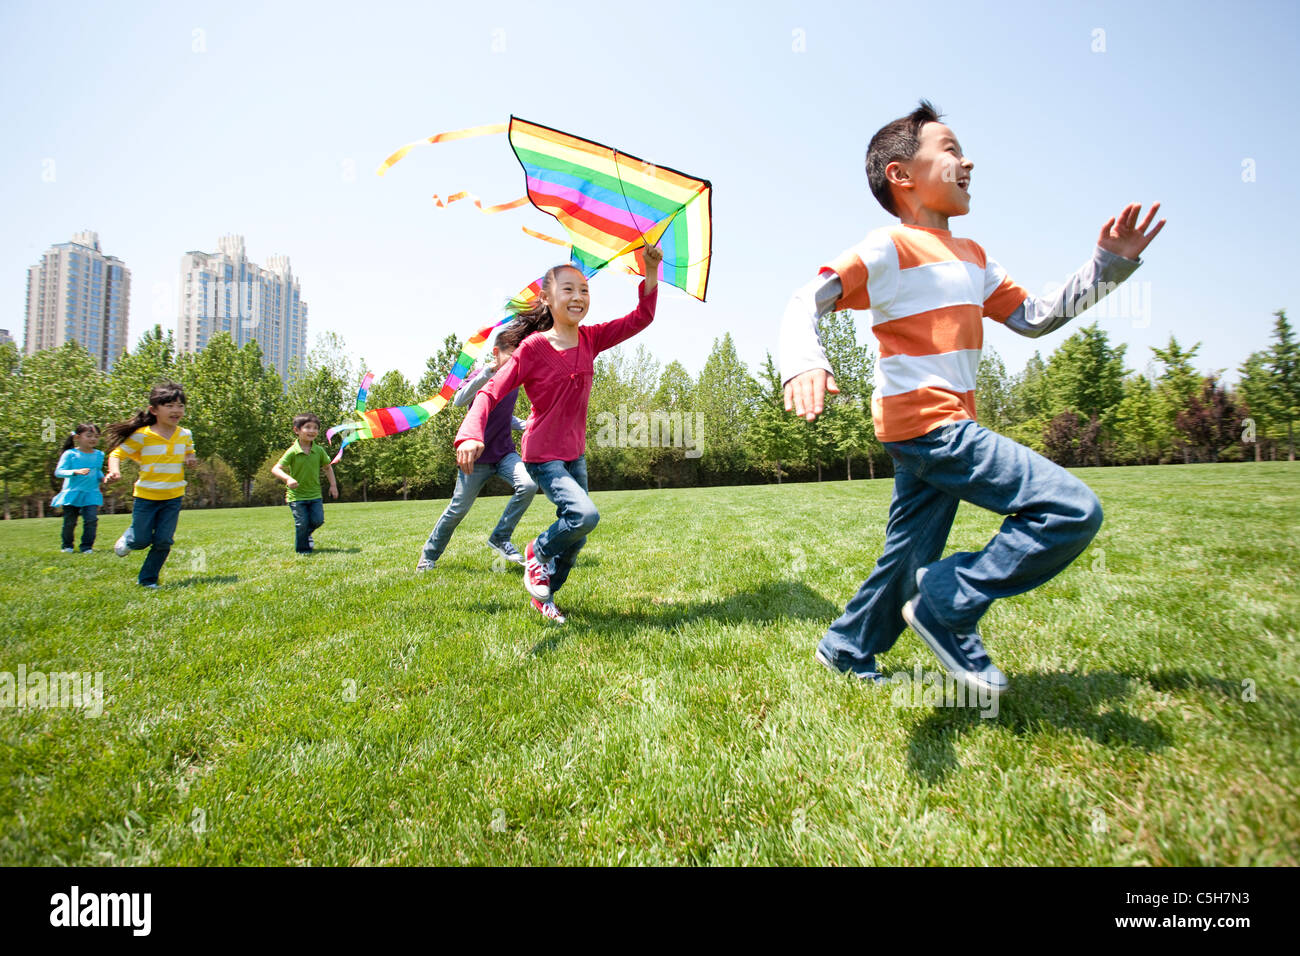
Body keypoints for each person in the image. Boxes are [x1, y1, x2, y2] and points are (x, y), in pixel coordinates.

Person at [780, 100, 1165, 693]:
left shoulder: (974, 256)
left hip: (934, 426)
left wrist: (1106, 267)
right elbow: (804, 300)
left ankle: (847, 646)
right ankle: (949, 600)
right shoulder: (888, 246)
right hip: (930, 422)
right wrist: (803, 361)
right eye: (951, 150)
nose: (968, 162)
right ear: (901, 176)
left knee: (908, 556)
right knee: (1069, 509)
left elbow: (1035, 318)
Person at [455, 245, 663, 622]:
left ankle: (545, 595)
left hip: (574, 453)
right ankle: (536, 550)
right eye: (568, 289)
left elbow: (641, 318)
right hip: (542, 454)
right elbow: (491, 390)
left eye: (584, 290)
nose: (579, 296)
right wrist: (470, 432)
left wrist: (650, 270)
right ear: (546, 298)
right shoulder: (533, 348)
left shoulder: (591, 339)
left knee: (577, 536)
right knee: (583, 515)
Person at [416, 327, 536, 572]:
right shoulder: (480, 375)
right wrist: (486, 374)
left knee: (529, 484)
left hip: (504, 453)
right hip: (476, 458)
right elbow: (460, 400)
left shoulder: (515, 382)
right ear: (496, 352)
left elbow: (501, 415)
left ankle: (500, 537)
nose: (518, 361)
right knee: (458, 509)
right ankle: (428, 556)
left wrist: (524, 424)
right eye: (514, 355)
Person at [105, 382, 197, 588]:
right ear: (154, 410)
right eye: (170, 405)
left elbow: (189, 451)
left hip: (173, 496)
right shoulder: (143, 435)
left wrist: (190, 458)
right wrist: (114, 470)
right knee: (141, 540)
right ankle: (130, 538)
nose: (176, 410)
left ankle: (148, 580)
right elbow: (116, 453)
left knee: (164, 541)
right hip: (146, 497)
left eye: (180, 405)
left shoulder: (185, 434)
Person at [271, 413, 339, 554]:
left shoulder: (319, 451)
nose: (312, 431)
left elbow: (327, 468)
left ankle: (305, 535)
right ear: (296, 430)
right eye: (307, 427)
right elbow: (276, 469)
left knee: (318, 520)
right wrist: (288, 479)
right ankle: (303, 550)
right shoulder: (292, 452)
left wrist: (333, 485)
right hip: (296, 496)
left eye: (315, 428)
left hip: (314, 494)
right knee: (301, 523)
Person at [52, 423, 105, 553]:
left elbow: (97, 471)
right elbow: (59, 472)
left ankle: (87, 547)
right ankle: (67, 546)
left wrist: (104, 478)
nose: (93, 439)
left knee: (91, 520)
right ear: (77, 437)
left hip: (91, 493)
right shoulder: (70, 454)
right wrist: (75, 471)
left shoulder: (99, 454)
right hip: (72, 493)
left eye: (96, 436)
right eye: (89, 435)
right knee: (70, 522)